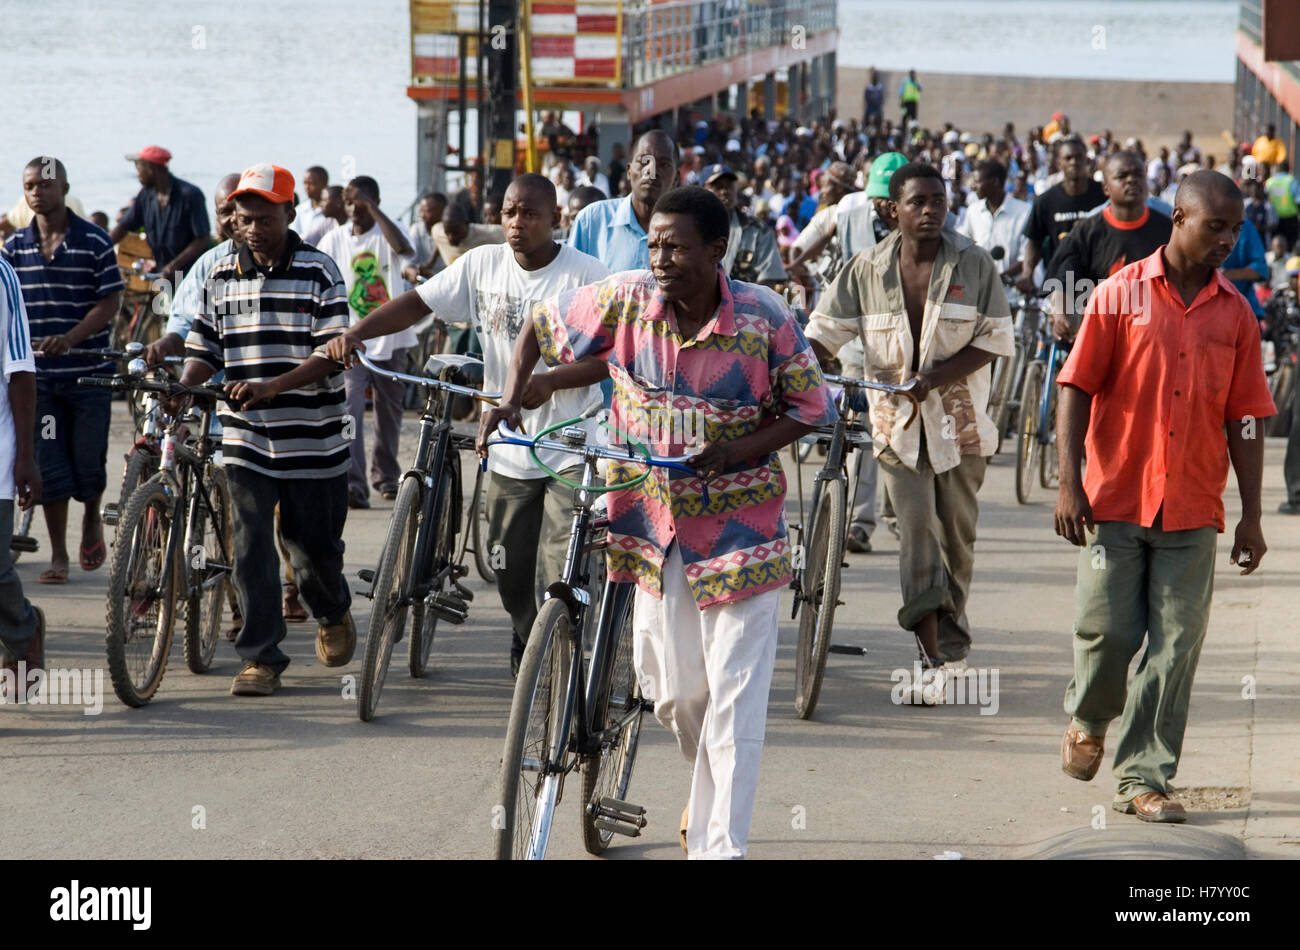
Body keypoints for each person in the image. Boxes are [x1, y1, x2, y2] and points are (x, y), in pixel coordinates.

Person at [481, 185, 837, 858]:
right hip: (645, 527)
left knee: (734, 699)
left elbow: (812, 410)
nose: (662, 257)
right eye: (655, 244)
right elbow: (538, 325)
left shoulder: (765, 318)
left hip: (741, 534)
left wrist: (736, 450)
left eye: (677, 245)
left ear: (716, 250)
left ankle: (717, 847)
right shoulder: (624, 297)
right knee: (670, 694)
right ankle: (705, 794)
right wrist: (508, 399)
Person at [1054, 171, 1275, 822]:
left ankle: (1143, 777)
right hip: (1115, 496)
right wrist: (1070, 482)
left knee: (1176, 646)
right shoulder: (1119, 295)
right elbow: (1076, 387)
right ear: (1178, 219)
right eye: (1217, 227)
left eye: (1236, 229)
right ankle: (1089, 718)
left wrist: (1253, 517)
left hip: (1191, 506)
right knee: (1109, 633)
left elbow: (1248, 418)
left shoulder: (1236, 315)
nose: (1229, 241)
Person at [326, 174, 608, 675]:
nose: (516, 223)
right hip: (506, 443)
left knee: (556, 567)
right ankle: (528, 632)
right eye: (508, 212)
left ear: (557, 220)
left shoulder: (586, 275)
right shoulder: (482, 264)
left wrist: (552, 382)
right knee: (507, 568)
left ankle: (555, 652)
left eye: (530, 214)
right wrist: (358, 331)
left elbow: (613, 360)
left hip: (571, 442)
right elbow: (418, 302)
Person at [806, 163, 1013, 703]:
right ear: (891, 210)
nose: (930, 211)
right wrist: (796, 373)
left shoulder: (974, 263)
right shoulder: (866, 269)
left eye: (938, 201)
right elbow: (823, 335)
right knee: (916, 534)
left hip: (960, 425)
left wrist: (936, 378)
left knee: (956, 541)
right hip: (895, 426)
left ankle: (951, 642)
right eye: (918, 201)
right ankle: (931, 656)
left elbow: (995, 339)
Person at [178, 163, 355, 696]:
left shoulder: (320, 271)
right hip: (246, 435)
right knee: (251, 546)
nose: (252, 226)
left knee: (312, 550)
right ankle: (261, 657)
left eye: (263, 216)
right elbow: (204, 346)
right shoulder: (218, 276)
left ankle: (331, 611)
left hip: (313, 438)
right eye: (242, 216)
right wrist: (187, 384)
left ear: (290, 213)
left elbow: (331, 353)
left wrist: (273, 386)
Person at [1, 157, 122, 586]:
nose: (37, 192)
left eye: (45, 184)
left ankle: (91, 517)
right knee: (50, 464)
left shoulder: (95, 241)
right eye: (29, 185)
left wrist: (71, 338)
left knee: (88, 462)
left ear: (64, 188)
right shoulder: (13, 249)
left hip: (89, 374)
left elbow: (110, 301)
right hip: (42, 382)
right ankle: (58, 553)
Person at [315, 176, 415, 509]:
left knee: (389, 413)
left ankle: (385, 475)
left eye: (361, 202)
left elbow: (405, 250)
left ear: (376, 201)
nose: (354, 209)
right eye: (349, 202)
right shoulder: (334, 239)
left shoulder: (390, 232)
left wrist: (370, 205)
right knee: (350, 409)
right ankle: (353, 482)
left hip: (393, 338)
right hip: (351, 342)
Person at [1047, 151, 1172, 339]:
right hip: (1101, 338)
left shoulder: (1169, 230)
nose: (1131, 180)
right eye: (1122, 176)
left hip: (1154, 339)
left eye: (1138, 174)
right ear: (1106, 188)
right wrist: (1059, 314)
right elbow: (1064, 281)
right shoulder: (1085, 232)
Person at [0, 256, 43, 690]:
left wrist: (26, 455)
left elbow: (21, 369)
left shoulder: (2, 273)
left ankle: (22, 629)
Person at [568, 129, 677, 272]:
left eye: (664, 164)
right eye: (644, 162)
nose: (651, 170)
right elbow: (569, 285)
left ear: (677, 178)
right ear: (629, 171)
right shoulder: (591, 221)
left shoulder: (689, 230)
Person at [108, 145, 211, 283]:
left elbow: (203, 239)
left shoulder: (190, 195)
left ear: (151, 169)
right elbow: (123, 227)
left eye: (138, 168)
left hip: (194, 276)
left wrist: (174, 266)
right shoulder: (146, 196)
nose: (137, 174)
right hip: (165, 276)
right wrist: (100, 249)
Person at [1018, 136, 1106, 294]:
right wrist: (1027, 273)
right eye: (1068, 158)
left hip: (1101, 283)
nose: (1074, 162)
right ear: (1059, 163)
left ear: (1086, 160)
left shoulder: (1104, 196)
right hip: (1061, 286)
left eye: (1078, 157)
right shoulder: (1046, 201)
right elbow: (1034, 241)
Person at [700, 164, 786, 287]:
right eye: (717, 187)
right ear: (703, 190)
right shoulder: (691, 229)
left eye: (729, 186)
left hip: (747, 304)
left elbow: (768, 279)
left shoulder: (759, 230)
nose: (725, 191)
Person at [957, 159, 1031, 277]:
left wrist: (999, 278)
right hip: (981, 289)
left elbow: (1027, 256)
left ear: (995, 182)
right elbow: (964, 246)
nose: (973, 186)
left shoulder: (1024, 211)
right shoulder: (973, 211)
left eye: (977, 182)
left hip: (1013, 292)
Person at [1220, 218, 1269, 320]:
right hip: (1205, 315)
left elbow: (1261, 269)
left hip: (1243, 312)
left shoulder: (1245, 226)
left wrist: (1226, 275)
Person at [404, 191, 448, 283]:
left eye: (427, 211)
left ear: (442, 211)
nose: (422, 216)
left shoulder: (452, 232)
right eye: (421, 211)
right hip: (425, 284)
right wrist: (410, 271)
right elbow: (408, 262)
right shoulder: (417, 230)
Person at [1264, 160, 1300, 250]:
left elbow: (1265, 199)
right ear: (1288, 168)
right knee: (1291, 245)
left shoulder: (1269, 182)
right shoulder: (1291, 180)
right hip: (1290, 219)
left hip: (1274, 220)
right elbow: (1298, 200)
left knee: (1276, 245)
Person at [291, 166, 329, 238]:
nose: (307, 187)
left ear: (324, 184)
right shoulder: (299, 210)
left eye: (311, 183)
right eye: (305, 183)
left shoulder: (331, 211)